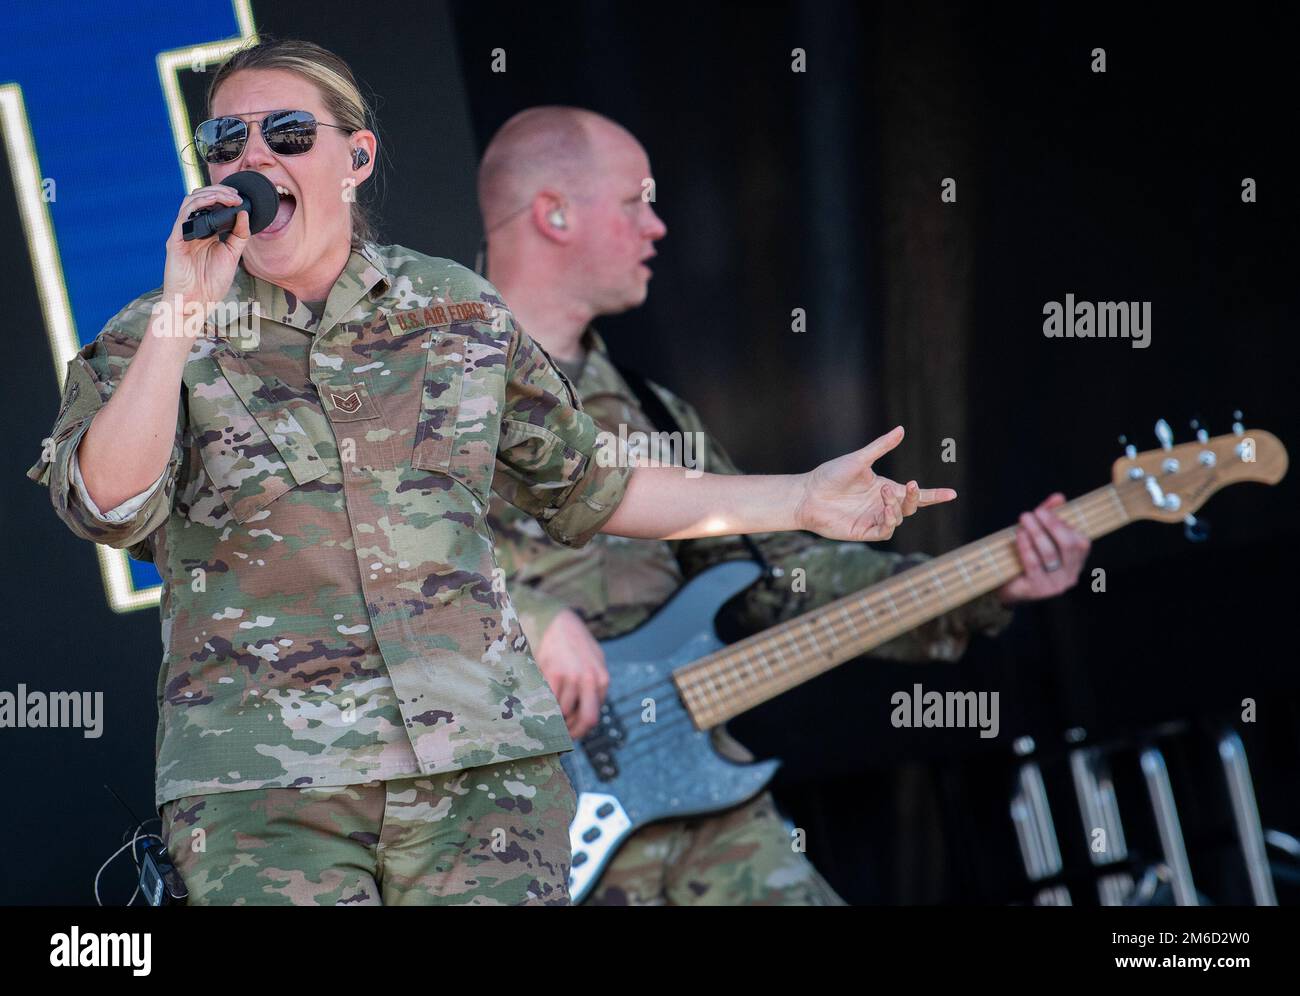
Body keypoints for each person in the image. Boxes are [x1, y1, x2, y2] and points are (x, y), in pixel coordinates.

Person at [27, 43, 951, 906]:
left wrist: (797, 497)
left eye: (289, 134)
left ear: (355, 159)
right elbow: (105, 502)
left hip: (485, 780)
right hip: (269, 791)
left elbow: (595, 486)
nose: (254, 158)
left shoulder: (455, 311)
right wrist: (183, 317)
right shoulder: (154, 331)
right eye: (228, 139)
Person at [478, 106, 1092, 906]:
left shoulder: (651, 410)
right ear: (554, 213)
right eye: (636, 201)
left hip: (699, 801)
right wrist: (522, 615)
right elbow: (328, 574)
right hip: (510, 821)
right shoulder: (422, 386)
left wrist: (987, 580)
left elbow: (775, 577)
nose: (658, 226)